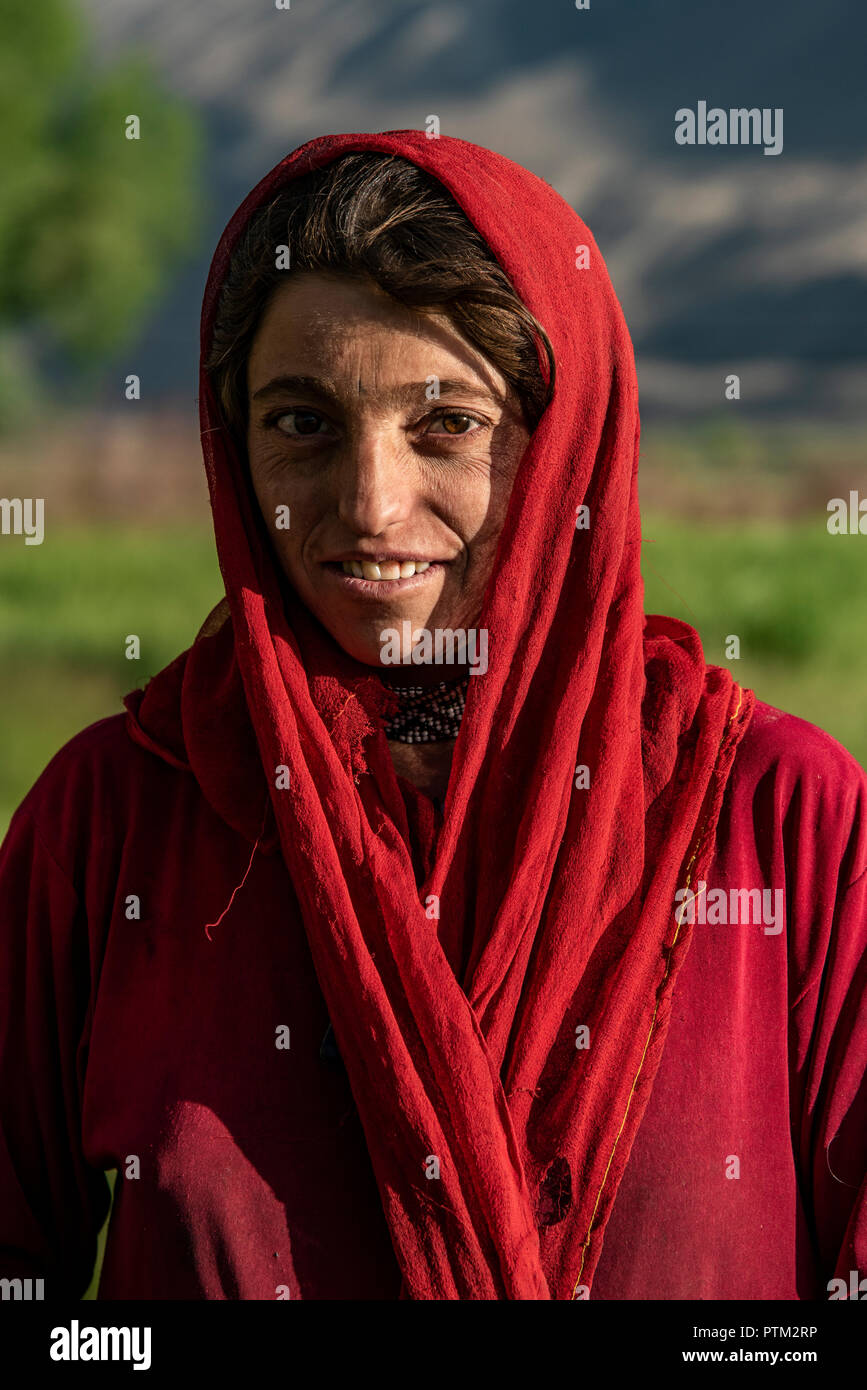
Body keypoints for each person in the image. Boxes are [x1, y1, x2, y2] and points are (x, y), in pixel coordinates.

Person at [0, 130, 864, 1301]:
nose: (367, 502)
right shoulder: (111, 820)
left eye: (447, 424)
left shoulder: (784, 822)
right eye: (301, 422)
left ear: (564, 444)